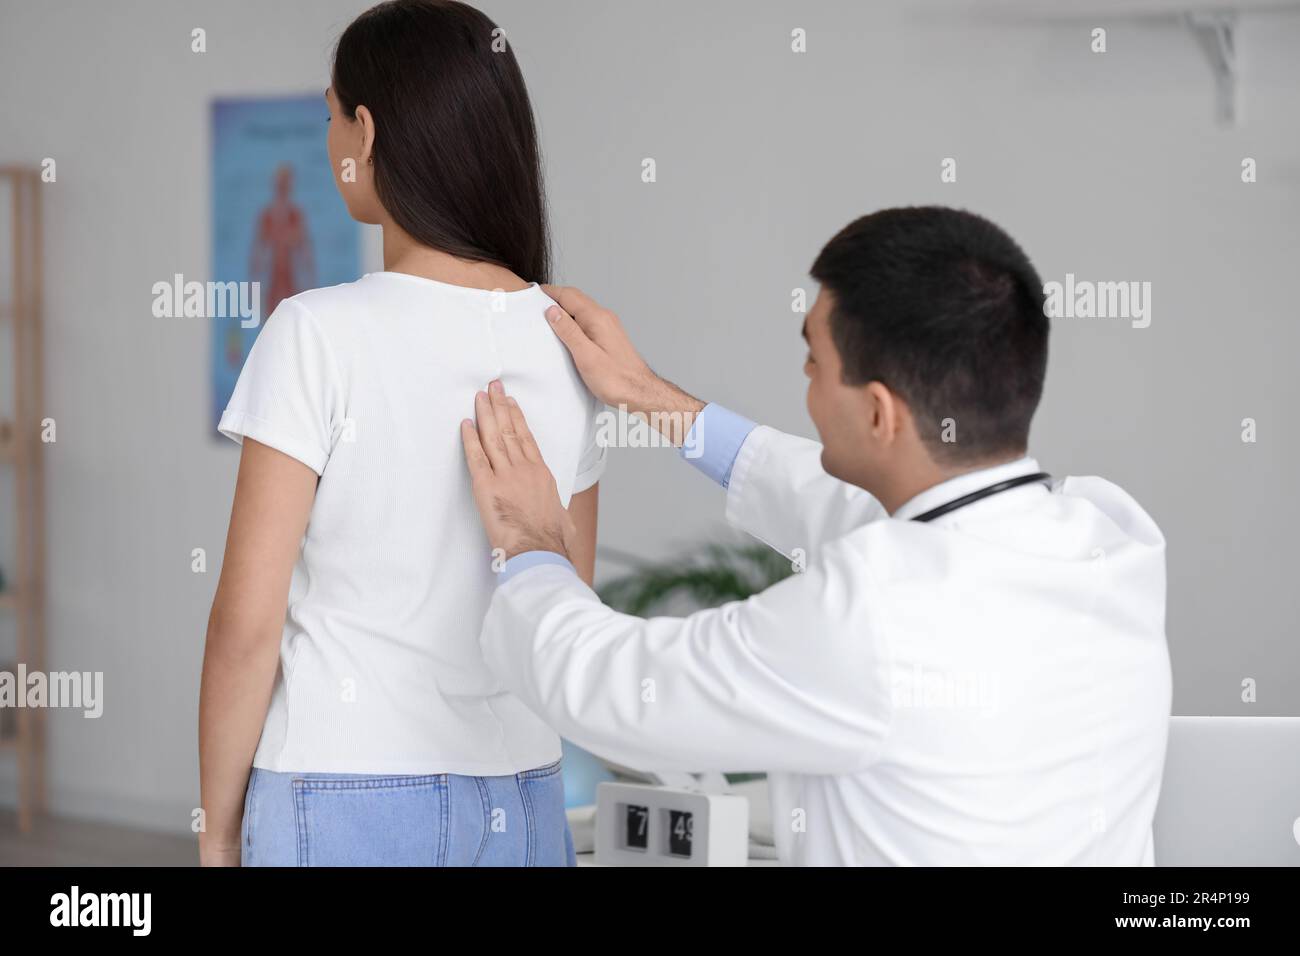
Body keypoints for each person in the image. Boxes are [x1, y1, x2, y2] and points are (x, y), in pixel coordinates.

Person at [460, 206, 1172, 866]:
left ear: (880, 414)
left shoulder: (872, 617)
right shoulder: (1110, 540)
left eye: (814, 360)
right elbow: (851, 505)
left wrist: (531, 544)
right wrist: (646, 395)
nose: (803, 377)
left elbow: (615, 688)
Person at [199, 0, 604, 867]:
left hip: (342, 785)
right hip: (526, 791)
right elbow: (567, 602)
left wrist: (219, 827)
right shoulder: (575, 343)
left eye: (333, 117)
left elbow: (246, 621)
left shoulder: (315, 332)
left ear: (368, 132)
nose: (329, 142)